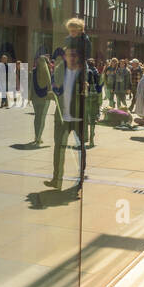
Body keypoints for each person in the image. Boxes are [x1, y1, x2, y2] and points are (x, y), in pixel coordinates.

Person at [44, 35, 88, 194]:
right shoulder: (60, 68)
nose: (70, 56)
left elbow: (85, 90)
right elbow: (55, 88)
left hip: (77, 115)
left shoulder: (83, 70)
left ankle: (80, 178)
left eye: (73, 54)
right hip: (62, 115)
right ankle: (57, 179)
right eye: (68, 53)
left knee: (80, 147)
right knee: (58, 147)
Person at [29, 53, 53, 146]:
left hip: (35, 98)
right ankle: (39, 137)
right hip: (45, 98)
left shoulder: (33, 71)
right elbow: (49, 85)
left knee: (37, 117)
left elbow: (31, 85)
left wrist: (30, 96)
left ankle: (36, 136)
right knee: (42, 118)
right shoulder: (48, 72)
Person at [84, 57, 103, 146]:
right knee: (92, 119)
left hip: (86, 98)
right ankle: (91, 138)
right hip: (93, 97)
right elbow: (98, 85)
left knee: (84, 119)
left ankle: (86, 137)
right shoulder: (93, 72)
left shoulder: (86, 72)